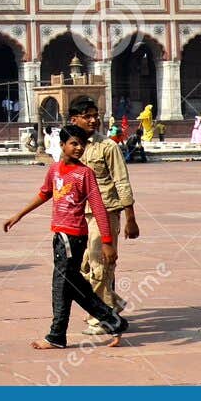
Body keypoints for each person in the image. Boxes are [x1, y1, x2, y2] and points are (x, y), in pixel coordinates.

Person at [3, 124, 128, 349]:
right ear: (62, 145)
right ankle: (106, 323)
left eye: (82, 144)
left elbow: (98, 207)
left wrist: (107, 242)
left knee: (63, 285)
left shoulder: (85, 174)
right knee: (71, 286)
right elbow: (44, 194)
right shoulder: (55, 170)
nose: (79, 148)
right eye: (74, 144)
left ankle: (61, 334)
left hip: (73, 238)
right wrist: (18, 215)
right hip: (59, 236)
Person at [67, 98, 140, 334]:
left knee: (100, 264)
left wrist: (130, 217)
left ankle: (101, 316)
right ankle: (113, 302)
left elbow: (122, 181)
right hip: (80, 214)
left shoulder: (107, 146)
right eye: (87, 116)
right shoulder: (72, 147)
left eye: (95, 115)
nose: (93, 120)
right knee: (81, 267)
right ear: (73, 119)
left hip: (106, 212)